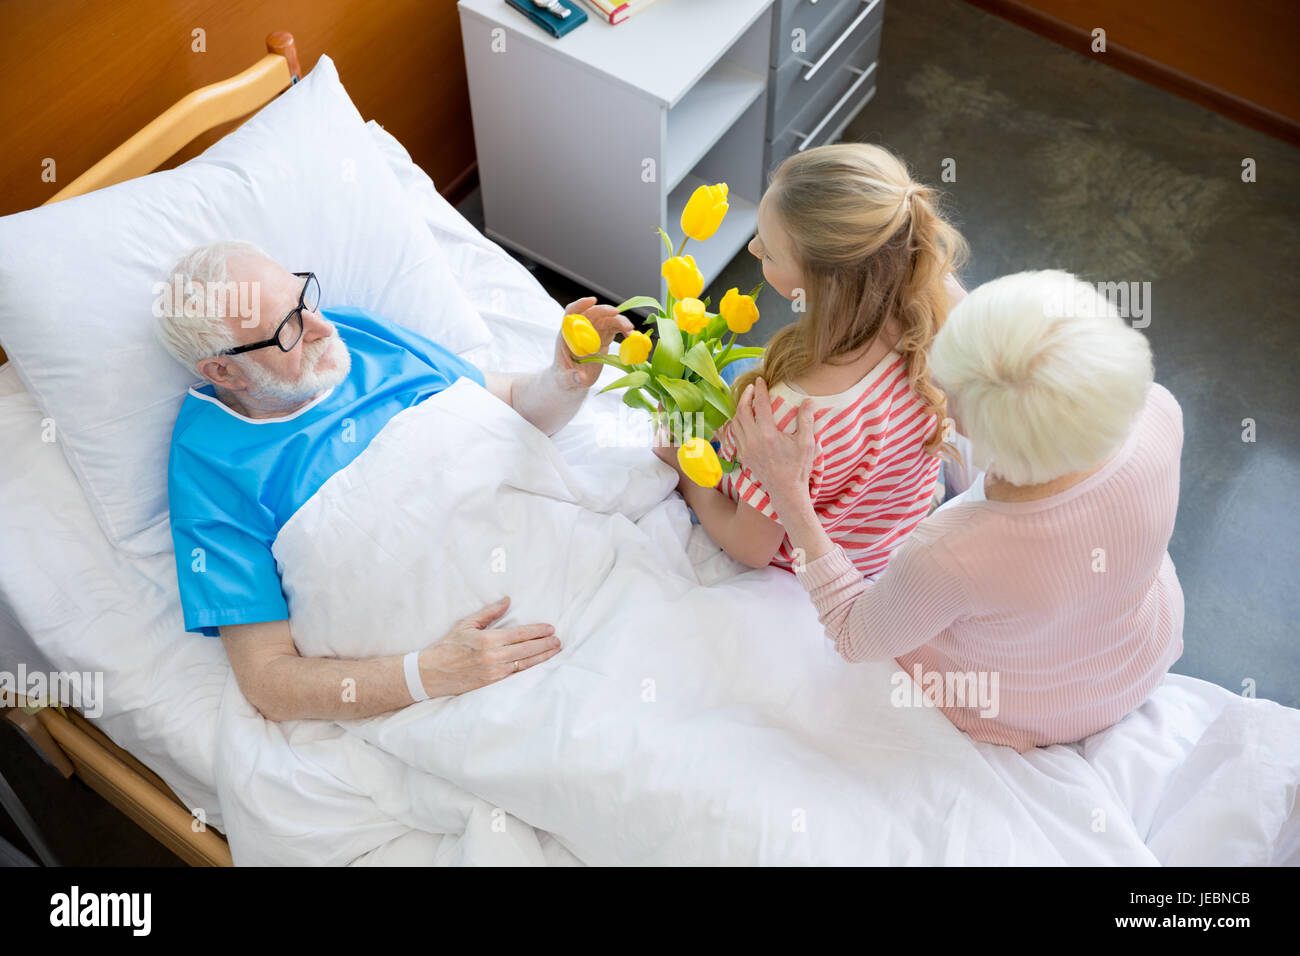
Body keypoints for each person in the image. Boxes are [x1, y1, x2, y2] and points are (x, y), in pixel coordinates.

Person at [155, 240, 632, 722]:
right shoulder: (208, 467)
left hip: (578, 562)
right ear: (223, 370)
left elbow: (505, 405)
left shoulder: (360, 335)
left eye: (304, 299)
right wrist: (430, 674)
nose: (322, 327)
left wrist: (566, 379)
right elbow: (268, 679)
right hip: (465, 677)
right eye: (287, 329)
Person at [726, 270, 1185, 752]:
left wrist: (790, 496)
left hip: (1023, 712)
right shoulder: (1159, 412)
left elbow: (854, 635)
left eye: (950, 394)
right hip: (1139, 657)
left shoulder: (950, 552)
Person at [656, 143, 968, 575]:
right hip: (884, 536)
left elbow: (751, 547)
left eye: (769, 251)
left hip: (812, 560)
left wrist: (685, 473)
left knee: (684, 401)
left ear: (824, 285)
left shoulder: (790, 411)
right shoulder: (939, 305)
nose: (752, 249)